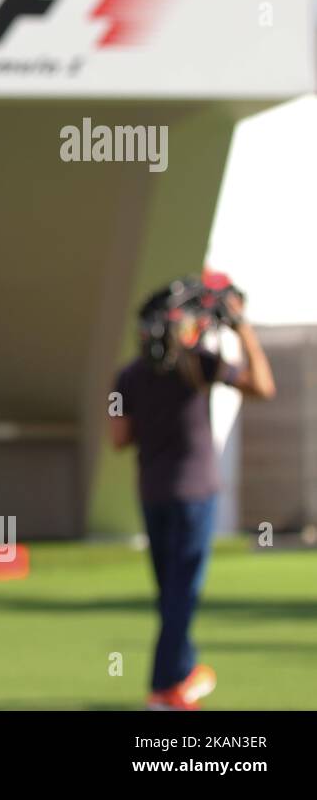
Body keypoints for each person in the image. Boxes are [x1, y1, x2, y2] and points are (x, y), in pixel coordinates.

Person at [110, 285, 274, 710]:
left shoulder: (127, 377)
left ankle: (184, 673)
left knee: (172, 595)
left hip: (153, 495)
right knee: (182, 595)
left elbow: (118, 437)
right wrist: (242, 328)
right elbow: (263, 386)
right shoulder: (197, 365)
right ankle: (164, 689)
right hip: (195, 496)